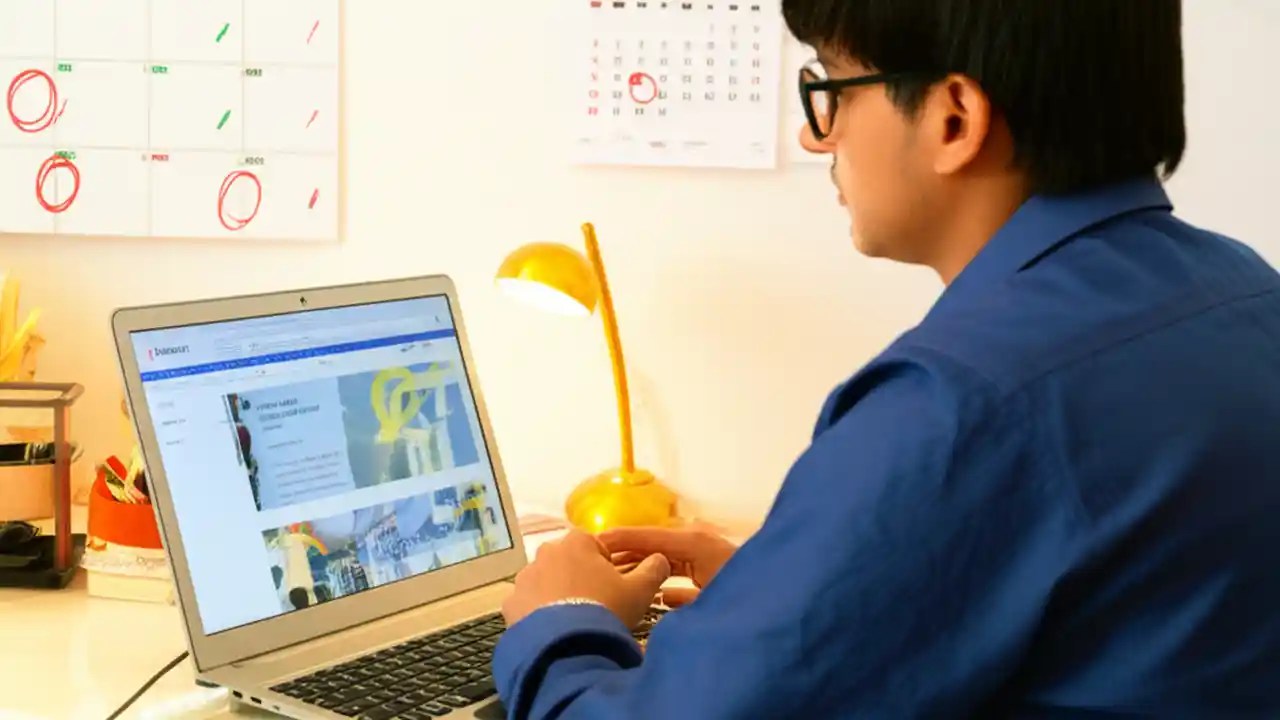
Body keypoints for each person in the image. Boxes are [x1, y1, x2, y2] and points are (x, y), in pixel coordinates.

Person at [493, 1, 1280, 717]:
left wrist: (558, 625)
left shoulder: (960, 404)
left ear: (954, 118)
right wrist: (797, 596)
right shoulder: (1245, 295)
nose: (815, 134)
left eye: (834, 86)